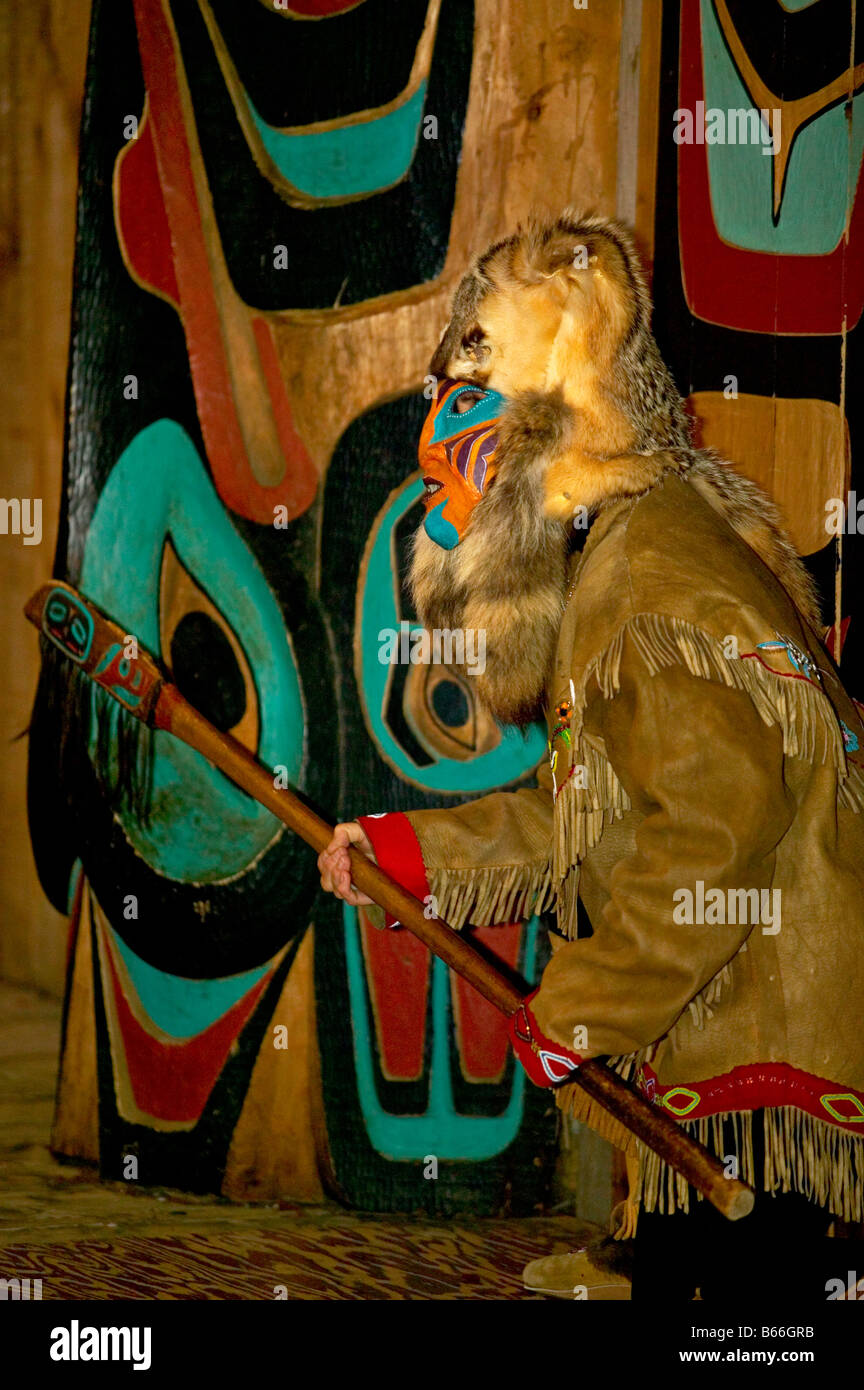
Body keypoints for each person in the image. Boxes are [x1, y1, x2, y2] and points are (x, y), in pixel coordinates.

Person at [318, 213, 864, 1300]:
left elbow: (709, 839)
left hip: (775, 1086)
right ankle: (672, 1250)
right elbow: (596, 819)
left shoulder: (643, 588)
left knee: (755, 1297)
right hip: (731, 1050)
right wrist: (407, 854)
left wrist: (584, 1008)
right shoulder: (637, 543)